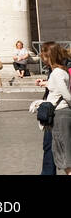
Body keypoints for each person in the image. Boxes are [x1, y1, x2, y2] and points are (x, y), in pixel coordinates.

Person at [34, 42, 71, 175]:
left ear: (50, 56)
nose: (43, 59)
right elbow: (60, 87)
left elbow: (66, 94)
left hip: (59, 114)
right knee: (60, 149)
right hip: (61, 113)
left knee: (61, 151)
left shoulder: (56, 72)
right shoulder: (62, 71)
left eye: (44, 56)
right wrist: (46, 83)